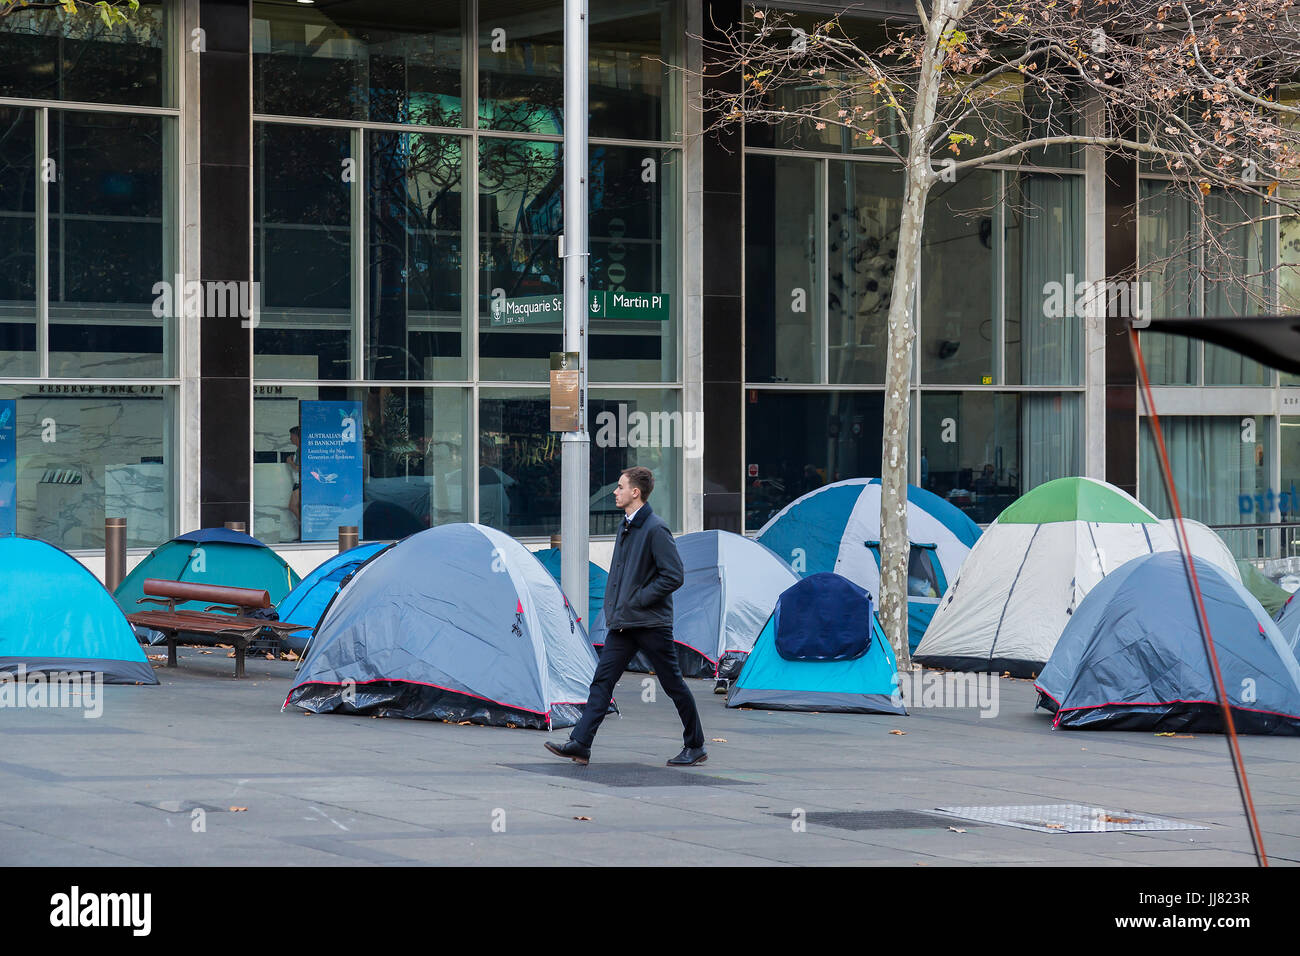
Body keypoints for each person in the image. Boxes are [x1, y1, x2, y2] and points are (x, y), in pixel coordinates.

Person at [545, 466, 707, 767]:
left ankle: (695, 745)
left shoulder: (655, 529)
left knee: (672, 684)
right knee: (602, 681)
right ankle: (581, 743)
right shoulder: (626, 526)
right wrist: (615, 606)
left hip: (651, 623)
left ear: (636, 492)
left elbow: (673, 575)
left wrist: (639, 599)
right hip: (624, 623)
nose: (615, 492)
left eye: (620, 487)